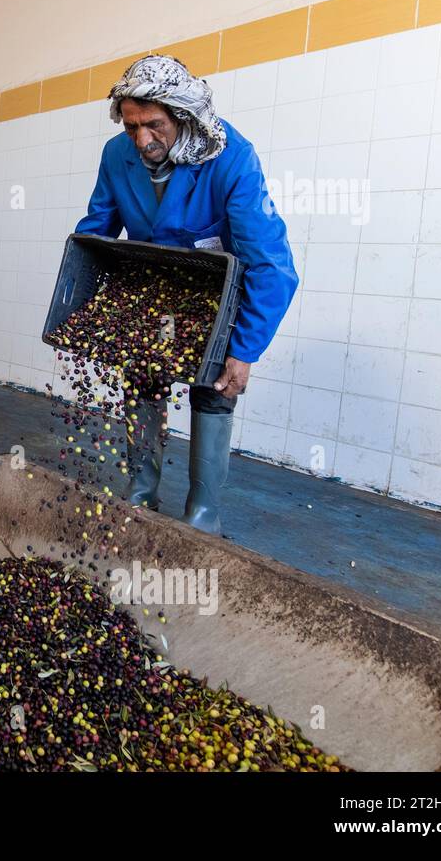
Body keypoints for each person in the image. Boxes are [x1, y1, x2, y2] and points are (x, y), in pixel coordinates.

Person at [74, 54, 298, 534]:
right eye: (131, 125)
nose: (142, 139)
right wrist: (84, 306)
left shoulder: (231, 157)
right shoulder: (118, 156)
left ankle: (202, 514)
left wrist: (245, 350)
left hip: (214, 297)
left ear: (183, 116)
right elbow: (97, 230)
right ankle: (140, 492)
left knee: (213, 391)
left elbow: (272, 265)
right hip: (152, 288)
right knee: (142, 381)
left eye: (153, 125)